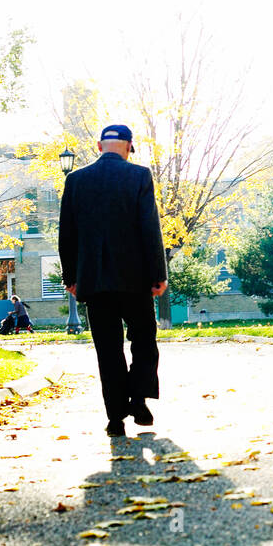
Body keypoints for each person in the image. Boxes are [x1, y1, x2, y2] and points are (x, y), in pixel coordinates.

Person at [58, 124, 168, 437]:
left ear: (98, 146)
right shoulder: (139, 176)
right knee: (144, 341)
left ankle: (115, 418)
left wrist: (71, 276)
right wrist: (158, 273)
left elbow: (67, 233)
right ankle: (140, 399)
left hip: (94, 281)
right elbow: (150, 229)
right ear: (129, 146)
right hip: (135, 279)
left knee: (108, 350)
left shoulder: (76, 180)